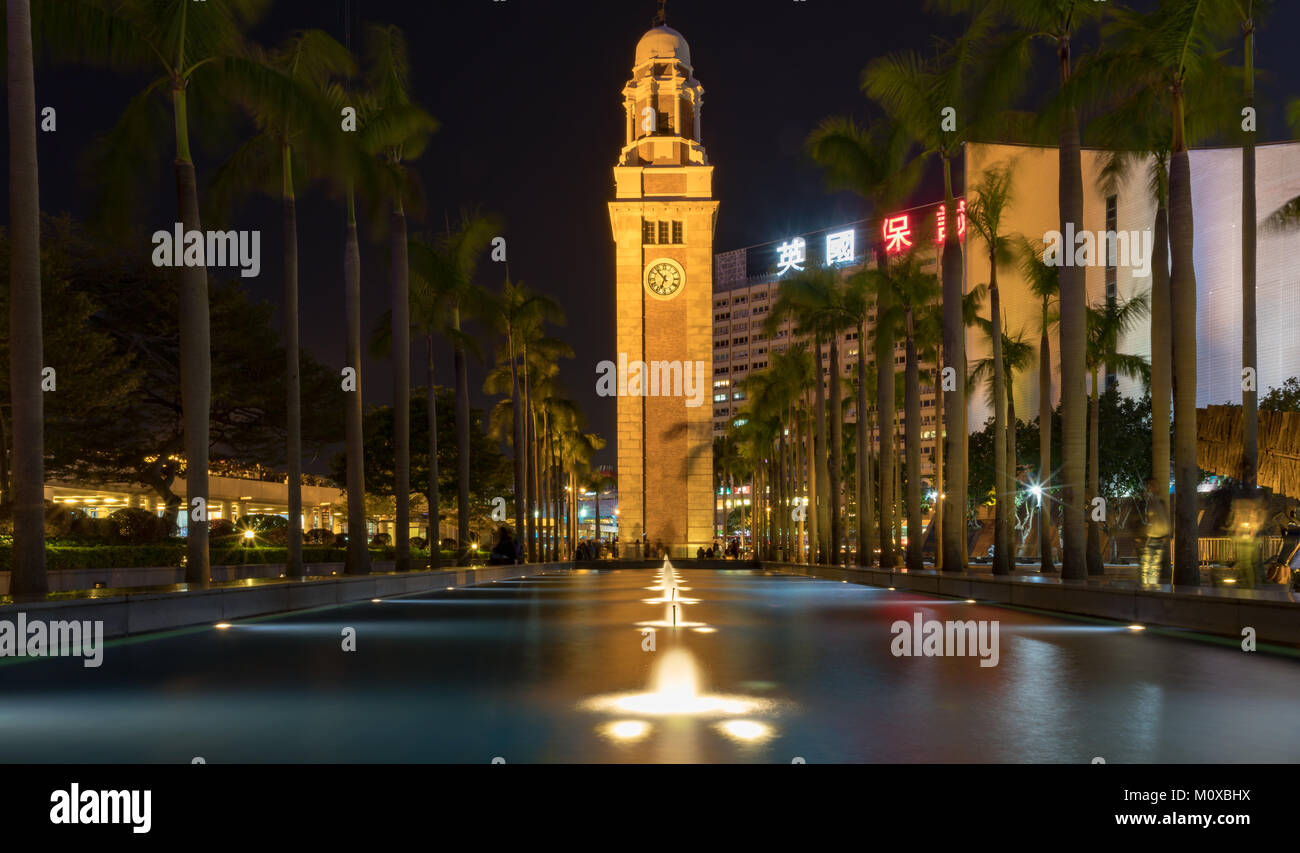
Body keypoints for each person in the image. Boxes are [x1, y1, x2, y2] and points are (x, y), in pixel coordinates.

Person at [1139, 479, 1170, 585]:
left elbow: (1164, 518)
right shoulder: (1149, 501)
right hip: (1151, 536)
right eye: (1150, 486)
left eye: (1153, 486)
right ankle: (1147, 585)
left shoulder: (1159, 501)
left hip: (1159, 536)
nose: (1151, 488)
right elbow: (1149, 518)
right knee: (1147, 563)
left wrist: (1166, 533)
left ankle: (1151, 585)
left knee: (1154, 564)